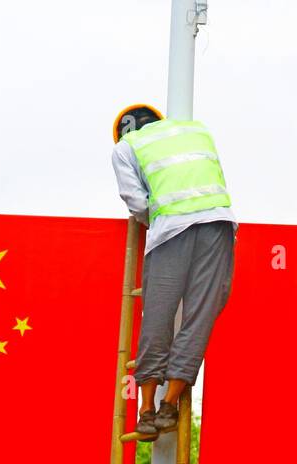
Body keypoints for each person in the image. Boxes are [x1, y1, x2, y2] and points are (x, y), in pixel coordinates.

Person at [112, 103, 237, 441]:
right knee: (200, 317)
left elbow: (136, 203)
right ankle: (170, 404)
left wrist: (154, 220)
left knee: (158, 314)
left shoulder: (127, 147)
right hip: (218, 226)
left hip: (171, 231)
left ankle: (146, 410)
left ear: (126, 130)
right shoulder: (195, 128)